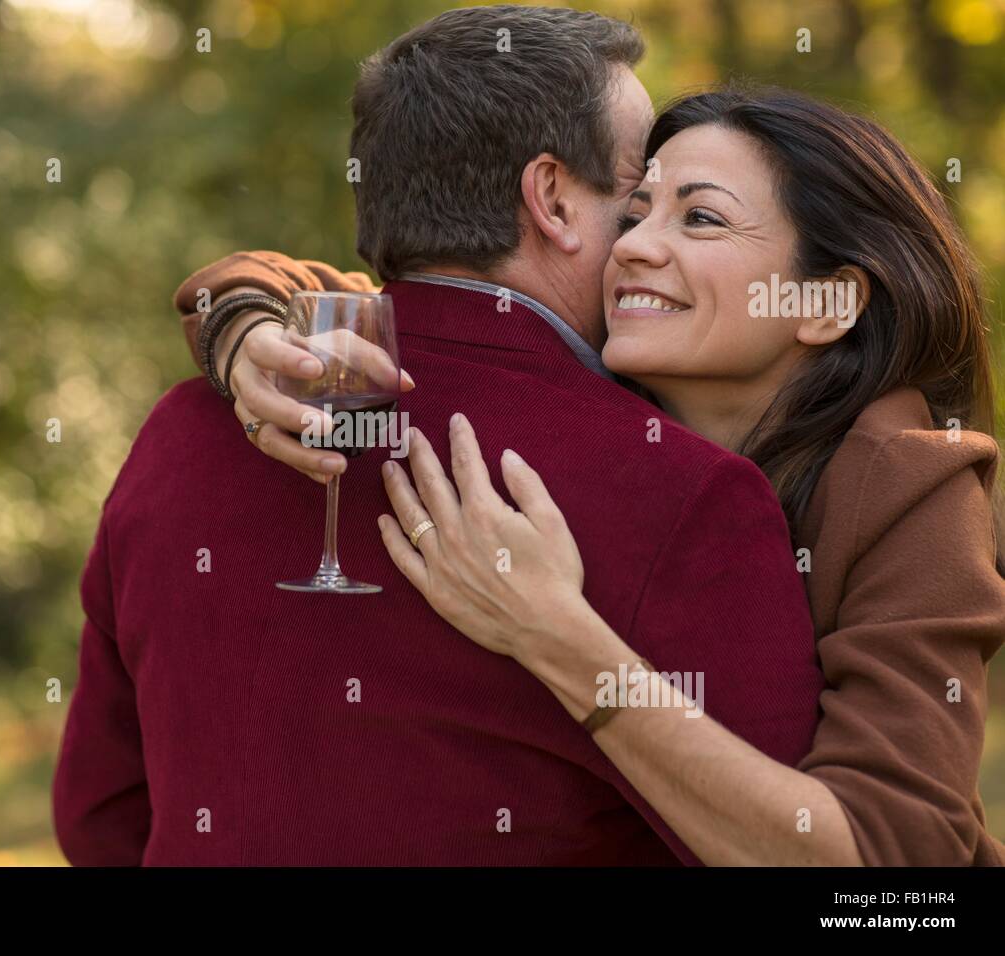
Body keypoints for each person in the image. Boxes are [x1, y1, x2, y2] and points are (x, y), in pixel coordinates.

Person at [52, 7, 823, 865]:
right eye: (635, 195)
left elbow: (102, 818)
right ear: (554, 200)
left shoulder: (180, 438)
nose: (644, 237)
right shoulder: (685, 494)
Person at [181, 89, 1005, 864]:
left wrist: (558, 638)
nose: (637, 245)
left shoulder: (912, 488)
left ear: (827, 305)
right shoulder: (616, 396)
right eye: (637, 210)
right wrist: (243, 329)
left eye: (702, 218)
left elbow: (897, 870)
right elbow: (387, 300)